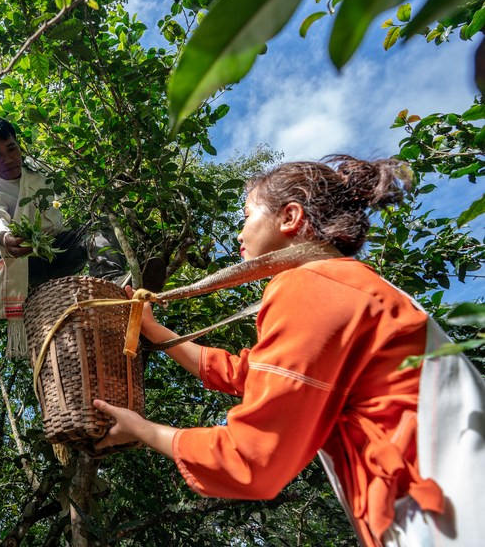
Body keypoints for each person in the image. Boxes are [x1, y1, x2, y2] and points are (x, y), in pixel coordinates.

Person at [93, 155, 441, 546]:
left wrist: (141, 428)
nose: (240, 234)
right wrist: (155, 331)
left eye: (246, 216)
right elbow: (248, 374)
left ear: (290, 217)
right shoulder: (347, 283)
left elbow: (251, 461)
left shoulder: (312, 286)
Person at [0, 117, 132, 363]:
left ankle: (112, 283)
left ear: (19, 146)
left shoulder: (40, 168)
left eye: (11, 148)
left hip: (59, 250)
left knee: (98, 222)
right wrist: (5, 237)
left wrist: (115, 180)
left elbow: (76, 180)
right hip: (22, 263)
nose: (7, 159)